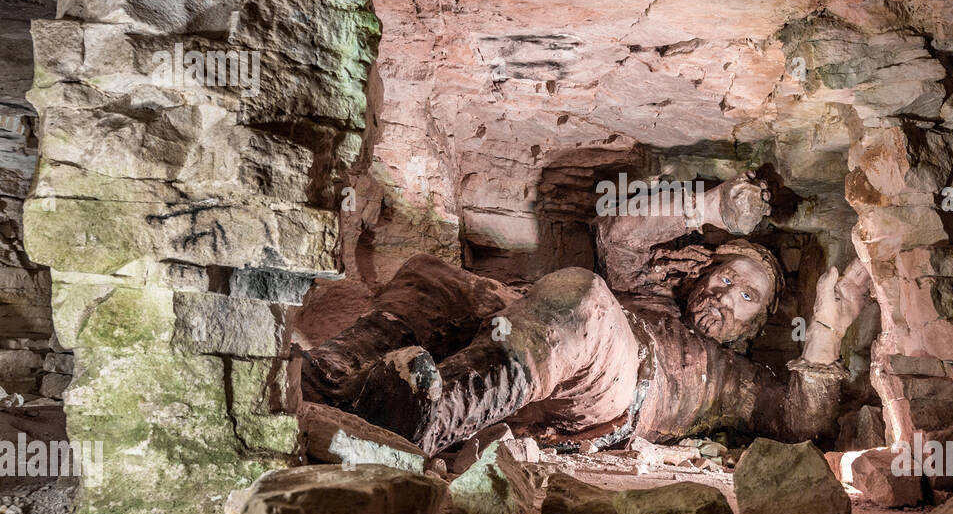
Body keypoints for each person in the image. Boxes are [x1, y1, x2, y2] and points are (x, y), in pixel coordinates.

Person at [301, 173, 871, 457]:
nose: (727, 294)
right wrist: (713, 205)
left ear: (754, 327)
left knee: (585, 299)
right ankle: (326, 378)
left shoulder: (730, 378)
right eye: (726, 275)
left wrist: (827, 332)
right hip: (533, 326)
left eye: (748, 296)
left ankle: (432, 416)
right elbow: (620, 227)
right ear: (697, 268)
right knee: (434, 276)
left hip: (617, 390)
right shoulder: (646, 290)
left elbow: (803, 422)